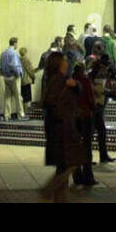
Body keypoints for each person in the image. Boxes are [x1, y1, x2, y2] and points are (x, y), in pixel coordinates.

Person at [39, 53, 84, 202]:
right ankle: (49, 188)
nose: (66, 62)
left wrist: (76, 85)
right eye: (64, 60)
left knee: (63, 165)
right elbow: (54, 102)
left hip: (56, 128)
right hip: (64, 129)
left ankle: (60, 199)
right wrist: (75, 85)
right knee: (73, 161)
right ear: (59, 64)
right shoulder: (60, 80)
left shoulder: (53, 80)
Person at [71, 61, 97, 186]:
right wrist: (92, 108)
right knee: (87, 147)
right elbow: (91, 99)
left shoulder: (69, 82)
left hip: (73, 117)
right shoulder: (85, 81)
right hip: (85, 116)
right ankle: (88, 176)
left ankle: (77, 176)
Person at [89, 54, 116, 164]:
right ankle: (90, 157)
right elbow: (97, 90)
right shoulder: (94, 75)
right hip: (95, 107)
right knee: (93, 132)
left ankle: (103, 155)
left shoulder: (98, 74)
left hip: (98, 106)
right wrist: (109, 92)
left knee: (101, 131)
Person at [0, 37, 25, 120]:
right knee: (18, 96)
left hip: (5, 77)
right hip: (14, 77)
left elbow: (0, 66)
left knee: (7, 97)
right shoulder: (14, 53)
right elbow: (15, 65)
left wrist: (3, 73)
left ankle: (7, 115)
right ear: (15, 43)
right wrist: (19, 74)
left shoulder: (3, 53)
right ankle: (21, 115)